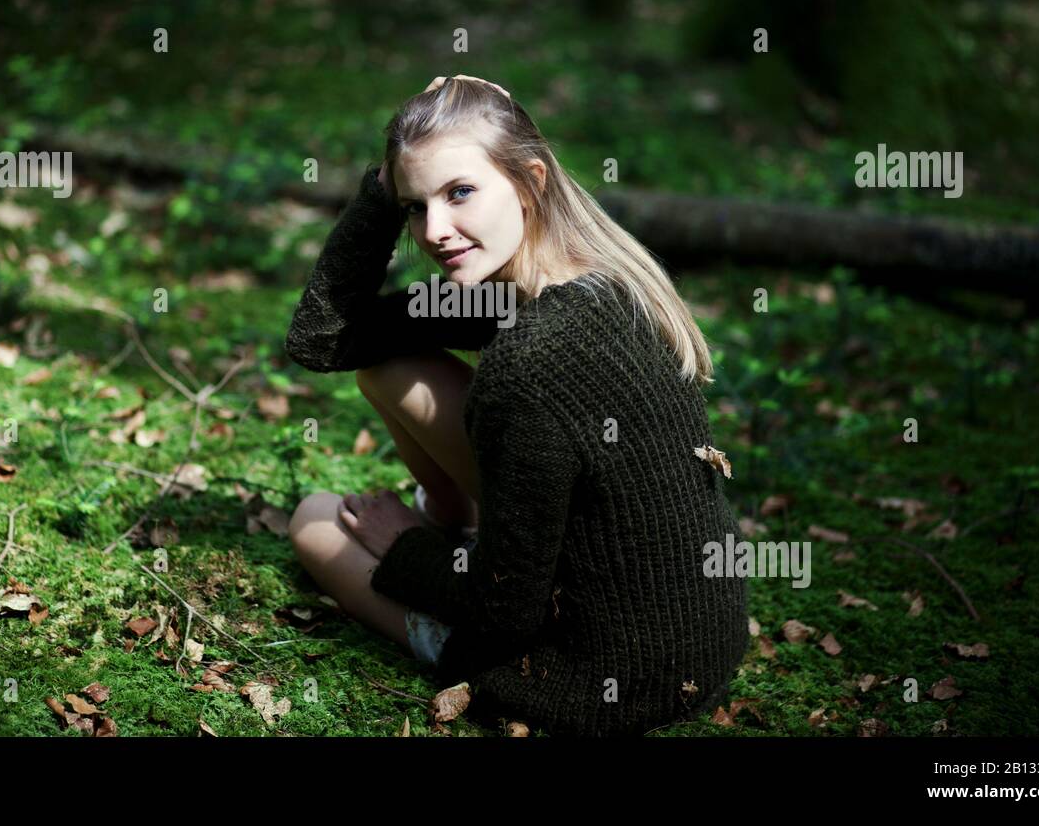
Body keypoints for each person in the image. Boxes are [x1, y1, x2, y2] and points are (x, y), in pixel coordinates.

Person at [286, 75, 749, 736]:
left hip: (598, 676)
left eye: (460, 192)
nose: (435, 231)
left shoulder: (528, 364)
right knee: (385, 367)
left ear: (530, 181)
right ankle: (461, 524)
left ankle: (445, 534)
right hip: (700, 634)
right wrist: (382, 190)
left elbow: (507, 614)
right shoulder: (590, 278)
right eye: (415, 206)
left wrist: (405, 548)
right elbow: (325, 339)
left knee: (312, 522)